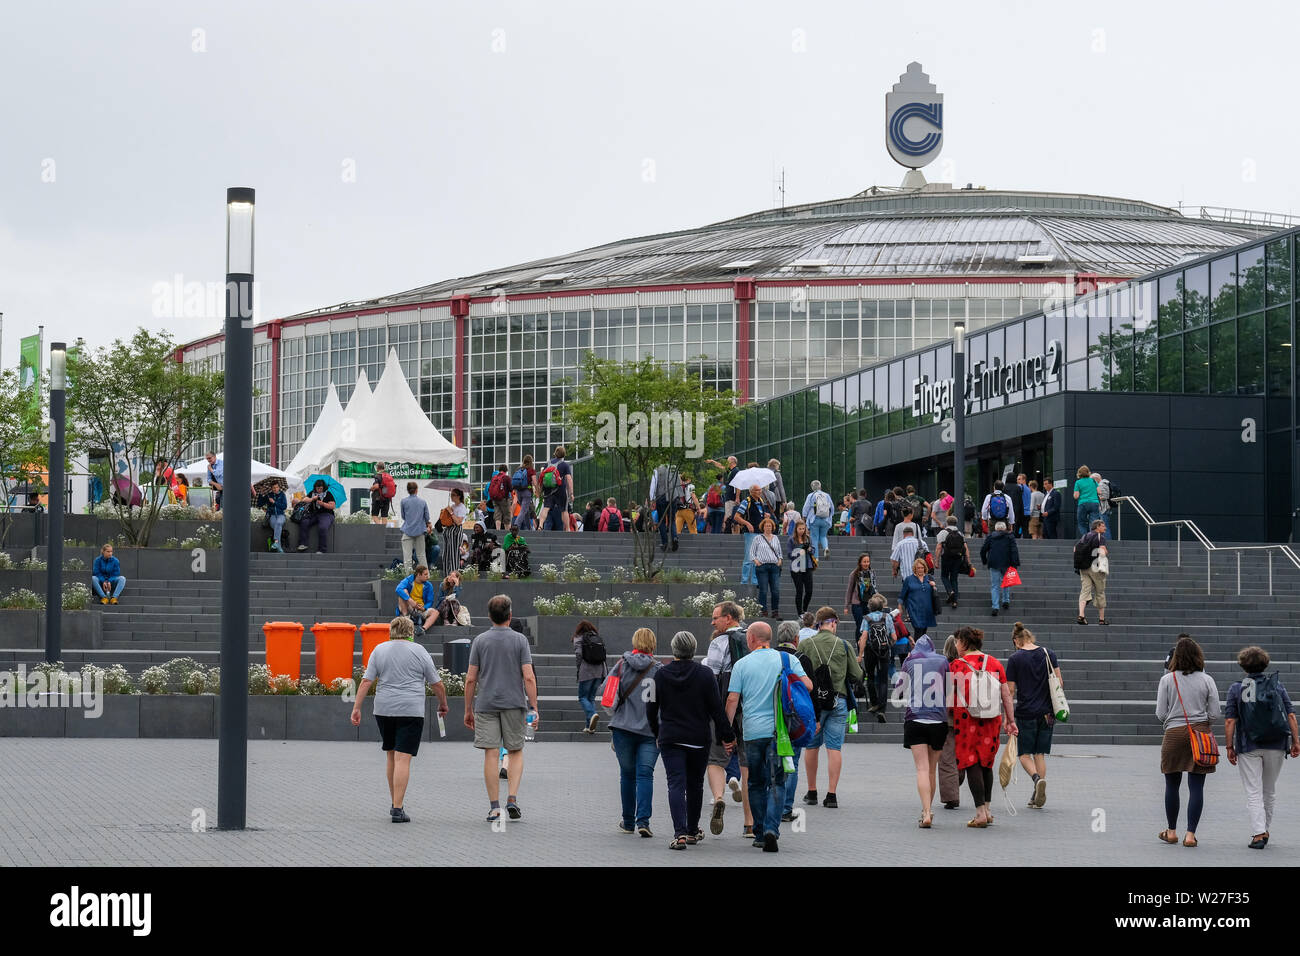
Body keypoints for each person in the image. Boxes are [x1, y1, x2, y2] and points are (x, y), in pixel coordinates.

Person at [349, 615, 449, 822]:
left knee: (391, 755)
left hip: (383, 709)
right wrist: (443, 704)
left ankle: (395, 802)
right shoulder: (419, 651)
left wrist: (356, 708)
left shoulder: (379, 650)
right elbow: (437, 683)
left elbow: (366, 681)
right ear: (411, 632)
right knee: (403, 758)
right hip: (410, 709)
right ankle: (397, 807)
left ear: (391, 632)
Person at [724, 621, 811, 852]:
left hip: (752, 733)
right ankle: (773, 828)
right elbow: (808, 686)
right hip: (780, 733)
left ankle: (760, 832)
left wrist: (727, 732)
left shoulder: (742, 664)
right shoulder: (787, 660)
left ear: (751, 639)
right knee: (777, 781)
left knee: (755, 782)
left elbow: (732, 699)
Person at [647, 630, 736, 849]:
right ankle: (693, 830)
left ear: (673, 648)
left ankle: (679, 835)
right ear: (694, 649)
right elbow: (716, 709)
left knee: (675, 784)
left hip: (671, 737)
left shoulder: (660, 674)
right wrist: (728, 736)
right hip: (698, 738)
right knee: (695, 785)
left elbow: (650, 709)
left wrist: (656, 733)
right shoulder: (705, 674)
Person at [464, 595, 537, 823]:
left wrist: (468, 709)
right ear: (510, 616)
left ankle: (494, 808)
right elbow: (528, 676)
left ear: (489, 616)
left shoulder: (480, 641)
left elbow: (470, 679)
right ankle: (512, 799)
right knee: (515, 751)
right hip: (514, 703)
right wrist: (534, 706)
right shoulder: (520, 641)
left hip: (486, 704)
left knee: (491, 753)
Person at [1224, 646, 1300, 849]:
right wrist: (1296, 741)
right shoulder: (1277, 686)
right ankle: (1264, 829)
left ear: (1243, 665)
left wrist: (1229, 746)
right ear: (1265, 664)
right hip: (1276, 743)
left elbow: (1230, 720)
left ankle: (1259, 833)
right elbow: (1291, 715)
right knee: (1269, 790)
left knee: (1253, 791)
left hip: (1248, 745)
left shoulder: (1236, 688)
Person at [1155, 635, 1220, 847]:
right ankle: (1190, 835)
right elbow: (1215, 713)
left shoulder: (1167, 680)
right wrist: (1202, 723)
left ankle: (1171, 831)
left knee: (1172, 785)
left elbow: (1160, 713)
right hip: (1199, 734)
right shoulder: (1207, 679)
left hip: (1173, 734)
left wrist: (1173, 722)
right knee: (1197, 786)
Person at [949, 625, 1017, 828]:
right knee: (986, 763)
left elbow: (947, 697)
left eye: (957, 641)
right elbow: (1006, 694)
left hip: (966, 720)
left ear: (964, 643)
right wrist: (1010, 720)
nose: (956, 645)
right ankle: (987, 810)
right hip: (991, 719)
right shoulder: (994, 663)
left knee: (971, 763)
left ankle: (979, 814)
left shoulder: (956, 666)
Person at [798, 607, 863, 810]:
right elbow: (856, 675)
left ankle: (811, 791)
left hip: (813, 703)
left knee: (811, 746)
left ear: (819, 623)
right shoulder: (843, 645)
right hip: (838, 701)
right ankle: (832, 794)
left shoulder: (806, 644)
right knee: (834, 748)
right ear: (833, 622)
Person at [604, 627, 662, 837]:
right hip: (650, 731)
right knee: (645, 775)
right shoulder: (659, 670)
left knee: (627, 775)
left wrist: (617, 712)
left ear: (635, 643)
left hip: (623, 729)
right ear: (653, 644)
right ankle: (643, 821)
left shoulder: (621, 665)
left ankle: (628, 822)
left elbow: (607, 696)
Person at [704, 601, 752, 837]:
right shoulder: (751, 639)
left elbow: (710, 679)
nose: (713, 622)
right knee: (746, 767)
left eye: (716, 618)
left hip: (724, 708)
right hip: (750, 712)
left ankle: (719, 797)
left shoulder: (719, 642)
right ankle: (749, 824)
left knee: (715, 760)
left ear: (729, 618)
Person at [1005, 621, 1062, 809]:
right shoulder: (1048, 654)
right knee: (1040, 754)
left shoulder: (1015, 659)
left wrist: (1008, 716)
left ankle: (1037, 780)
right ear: (1030, 637)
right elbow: (1059, 683)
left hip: (1025, 712)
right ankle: (1036, 793)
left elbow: (1011, 690)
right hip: (1047, 712)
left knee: (1023, 754)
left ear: (1016, 641)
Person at [900, 633, 950, 828]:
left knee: (921, 768)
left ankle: (926, 812)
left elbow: (900, 689)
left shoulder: (910, 660)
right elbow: (949, 688)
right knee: (932, 768)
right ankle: (929, 810)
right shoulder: (943, 660)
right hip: (938, 720)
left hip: (915, 718)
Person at [773, 621, 806, 821]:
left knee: (772, 762)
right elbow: (809, 688)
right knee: (791, 762)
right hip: (794, 720)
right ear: (796, 638)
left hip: (771, 718)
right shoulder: (801, 659)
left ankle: (771, 806)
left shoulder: (770, 657)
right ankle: (786, 808)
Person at [856, 593, 894, 721]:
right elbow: (894, 637)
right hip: (884, 650)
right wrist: (888, 645)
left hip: (870, 651)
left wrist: (860, 655)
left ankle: (874, 703)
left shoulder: (866, 618)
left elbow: (864, 637)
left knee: (870, 676)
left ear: (870, 607)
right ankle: (882, 710)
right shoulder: (887, 617)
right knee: (883, 680)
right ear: (882, 606)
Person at [937, 635, 963, 810]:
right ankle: (957, 778)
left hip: (947, 717)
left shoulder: (941, 666)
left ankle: (951, 796)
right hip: (967, 716)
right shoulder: (966, 666)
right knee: (962, 755)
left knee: (946, 758)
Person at [979, 520, 1020, 617]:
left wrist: (985, 560)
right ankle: (1006, 600)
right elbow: (1014, 550)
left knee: (995, 585)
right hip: (1007, 563)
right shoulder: (1010, 537)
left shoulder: (991, 537)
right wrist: (1015, 564)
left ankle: (995, 606)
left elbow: (983, 549)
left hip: (994, 563)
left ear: (996, 528)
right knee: (1006, 582)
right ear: (1005, 528)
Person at [573, 620, 607, 735]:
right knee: (591, 698)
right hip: (599, 670)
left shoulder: (579, 638)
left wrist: (579, 668)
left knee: (582, 697)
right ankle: (589, 727)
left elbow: (579, 654)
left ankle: (592, 714)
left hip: (586, 670)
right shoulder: (597, 637)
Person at [732, 484, 770, 586]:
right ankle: (744, 581)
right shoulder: (746, 501)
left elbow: (760, 516)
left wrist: (765, 516)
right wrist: (747, 523)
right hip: (750, 533)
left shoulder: (761, 501)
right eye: (757, 490)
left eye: (760, 490)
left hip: (760, 532)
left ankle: (754, 581)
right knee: (749, 557)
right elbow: (736, 517)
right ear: (751, 491)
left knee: (757, 558)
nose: (760, 492)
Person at [1076, 518, 1110, 625]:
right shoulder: (1101, 537)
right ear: (1098, 527)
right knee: (1100, 592)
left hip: (1083, 567)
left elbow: (1075, 549)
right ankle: (1101, 619)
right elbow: (1102, 551)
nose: (1105, 528)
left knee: (1085, 590)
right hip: (1095, 567)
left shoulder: (1084, 536)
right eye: (1103, 526)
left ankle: (1081, 615)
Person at [750, 516, 783, 619]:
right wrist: (756, 561)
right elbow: (751, 552)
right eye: (766, 526)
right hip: (762, 567)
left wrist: (780, 561)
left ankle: (775, 612)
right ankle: (763, 611)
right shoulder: (757, 538)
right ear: (763, 527)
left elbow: (779, 552)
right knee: (763, 590)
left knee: (775, 590)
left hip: (774, 566)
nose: (768, 527)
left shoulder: (776, 538)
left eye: (770, 526)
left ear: (772, 527)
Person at [897, 556, 938, 639]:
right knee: (918, 629)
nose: (920, 569)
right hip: (914, 609)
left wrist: (934, 586)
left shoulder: (929, 578)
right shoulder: (909, 579)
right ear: (914, 568)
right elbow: (902, 595)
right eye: (918, 568)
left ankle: (920, 650)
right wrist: (900, 607)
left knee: (923, 632)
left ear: (925, 568)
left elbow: (934, 593)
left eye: (922, 568)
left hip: (927, 609)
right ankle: (916, 651)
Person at [397, 482, 432, 570]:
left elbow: (403, 516)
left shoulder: (403, 501)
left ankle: (408, 577)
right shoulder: (423, 502)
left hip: (408, 530)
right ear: (416, 490)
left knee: (407, 557)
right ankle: (426, 576)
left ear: (408, 490)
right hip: (420, 531)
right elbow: (427, 517)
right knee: (421, 556)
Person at [537, 445, 574, 532]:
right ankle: (568, 529)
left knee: (546, 508)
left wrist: (540, 491)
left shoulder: (548, 463)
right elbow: (569, 479)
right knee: (564, 510)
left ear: (555, 454)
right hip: (560, 490)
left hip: (548, 490)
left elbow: (542, 477)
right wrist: (571, 493)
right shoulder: (564, 465)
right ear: (564, 455)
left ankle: (540, 525)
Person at [937, 515, 970, 608]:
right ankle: (955, 601)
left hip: (946, 557)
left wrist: (936, 560)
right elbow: (966, 548)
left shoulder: (943, 532)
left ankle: (949, 591)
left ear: (947, 523)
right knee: (954, 578)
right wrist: (968, 560)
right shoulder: (960, 533)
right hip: (957, 558)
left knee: (944, 576)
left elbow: (939, 547)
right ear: (956, 523)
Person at [297, 479, 337, 553]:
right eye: (317, 488)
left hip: (326, 514)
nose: (319, 490)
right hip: (314, 514)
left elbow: (332, 506)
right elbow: (304, 500)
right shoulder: (312, 493)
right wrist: (312, 499)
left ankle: (322, 549)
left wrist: (323, 504)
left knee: (322, 527)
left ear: (323, 488)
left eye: (321, 488)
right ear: (315, 487)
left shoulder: (328, 494)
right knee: (304, 522)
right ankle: (303, 544)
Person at [395, 565, 438, 633]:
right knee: (403, 592)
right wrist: (410, 600)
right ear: (419, 574)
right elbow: (398, 589)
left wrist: (424, 608)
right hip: (408, 607)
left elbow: (430, 601)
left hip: (420, 609)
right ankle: (406, 618)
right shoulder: (408, 580)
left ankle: (423, 629)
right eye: (425, 574)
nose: (428, 576)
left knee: (435, 612)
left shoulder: (428, 585)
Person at [842, 552, 877, 635]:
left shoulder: (872, 573)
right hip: (857, 604)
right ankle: (859, 645)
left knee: (869, 626)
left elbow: (874, 588)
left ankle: (866, 645)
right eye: (864, 562)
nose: (866, 564)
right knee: (860, 625)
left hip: (869, 603)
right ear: (860, 563)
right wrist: (846, 606)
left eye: (868, 561)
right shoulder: (854, 574)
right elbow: (849, 590)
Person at [787, 520, 816, 616]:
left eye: (803, 529)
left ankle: (805, 609)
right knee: (799, 590)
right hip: (796, 567)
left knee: (809, 590)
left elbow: (813, 550)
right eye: (800, 529)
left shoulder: (808, 538)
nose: (802, 531)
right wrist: (799, 552)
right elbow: (789, 554)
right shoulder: (792, 540)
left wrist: (809, 549)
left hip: (807, 565)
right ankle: (800, 612)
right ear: (796, 529)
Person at [801, 480, 835, 558]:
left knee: (814, 538)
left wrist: (804, 517)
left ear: (812, 487)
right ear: (820, 487)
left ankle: (816, 558)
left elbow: (806, 508)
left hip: (814, 519)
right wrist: (829, 517)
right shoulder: (827, 495)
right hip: (825, 519)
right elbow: (832, 508)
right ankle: (826, 548)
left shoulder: (811, 495)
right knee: (823, 536)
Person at [439, 488, 468, 578]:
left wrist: (451, 512)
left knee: (454, 554)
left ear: (458, 496)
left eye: (453, 495)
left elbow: (459, 522)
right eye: (451, 495)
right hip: (448, 531)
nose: (451, 497)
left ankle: (454, 574)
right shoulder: (453, 506)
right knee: (446, 554)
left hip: (455, 531)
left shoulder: (462, 507)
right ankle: (447, 574)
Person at [256, 480, 288, 553]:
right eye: (274, 488)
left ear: (279, 487)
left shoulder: (282, 495)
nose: (275, 489)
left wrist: (274, 502)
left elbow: (284, 506)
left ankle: (276, 543)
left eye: (277, 487)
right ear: (271, 488)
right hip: (272, 516)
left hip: (281, 515)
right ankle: (279, 546)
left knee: (278, 523)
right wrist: (261, 493)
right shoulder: (269, 495)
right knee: (277, 526)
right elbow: (259, 504)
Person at [1073, 465, 1100, 537]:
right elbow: (1099, 492)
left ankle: (1086, 538)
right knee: (1094, 523)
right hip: (1094, 503)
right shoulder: (1093, 481)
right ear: (1088, 473)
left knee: (1081, 523)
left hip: (1083, 503)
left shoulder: (1078, 482)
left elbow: (1076, 496)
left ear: (1079, 473)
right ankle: (1093, 538)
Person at [1093, 471, 1114, 540]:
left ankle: (1108, 541)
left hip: (1104, 508)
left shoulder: (1101, 484)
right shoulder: (1104, 484)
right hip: (1105, 508)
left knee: (1104, 526)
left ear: (1096, 479)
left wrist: (1095, 495)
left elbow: (1104, 496)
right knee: (1103, 525)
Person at [1012, 473, 1030, 539]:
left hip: (1021, 513)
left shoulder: (1019, 487)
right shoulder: (1028, 489)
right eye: (1017, 479)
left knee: (1016, 530)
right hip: (1027, 513)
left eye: (1019, 479)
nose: (1017, 481)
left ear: (1024, 480)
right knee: (1025, 530)